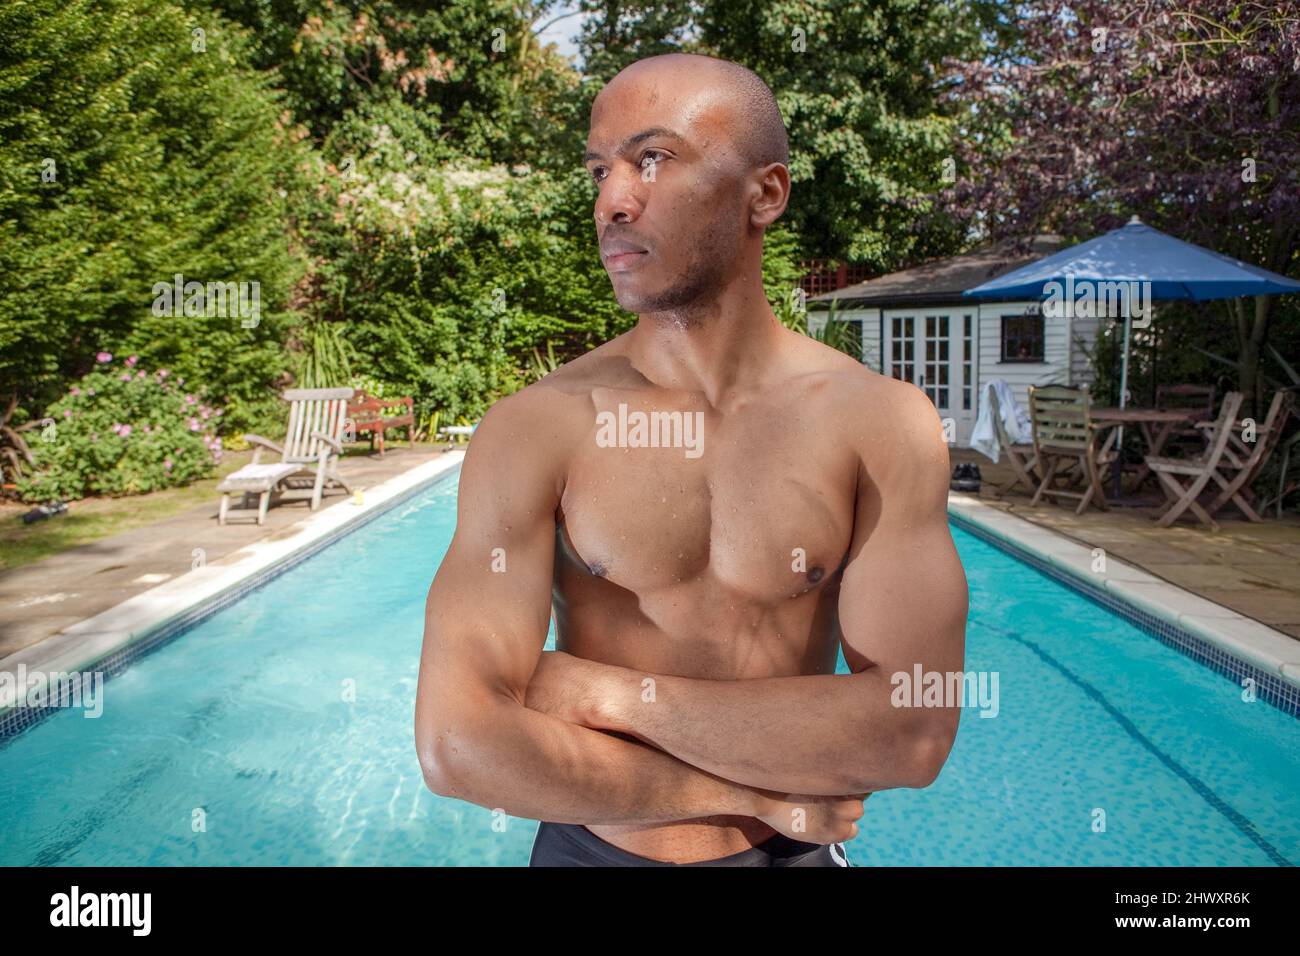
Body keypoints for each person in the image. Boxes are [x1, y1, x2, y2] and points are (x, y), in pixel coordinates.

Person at [414, 52, 968, 867]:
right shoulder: (534, 429)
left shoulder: (879, 423)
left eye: (652, 159)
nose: (613, 200)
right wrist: (746, 795)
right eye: (599, 170)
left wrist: (605, 693)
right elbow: (457, 743)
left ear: (765, 193)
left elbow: (913, 729)